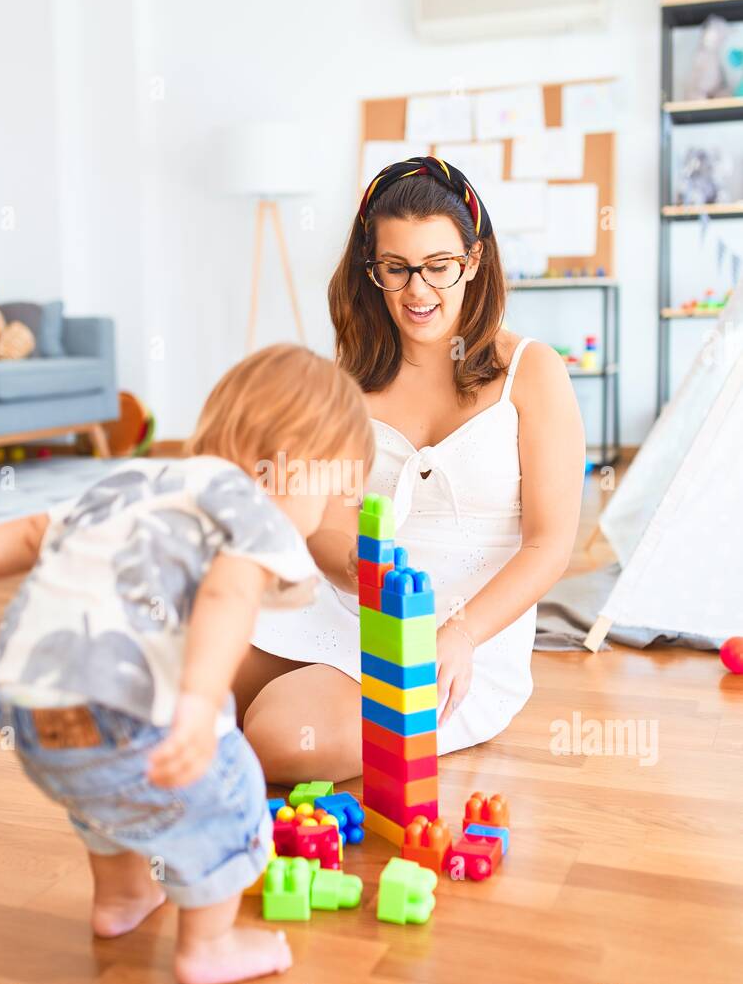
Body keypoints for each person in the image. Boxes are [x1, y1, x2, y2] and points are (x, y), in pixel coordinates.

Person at [0, 344, 374, 984]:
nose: (320, 520)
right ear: (292, 465)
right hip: (120, 706)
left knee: (109, 788)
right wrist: (197, 708)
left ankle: (121, 898)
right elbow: (227, 594)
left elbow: (30, 534)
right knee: (231, 792)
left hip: (25, 701)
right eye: (331, 494)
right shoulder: (257, 507)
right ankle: (209, 946)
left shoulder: (137, 478)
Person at [237, 156, 585, 784]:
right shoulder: (350, 378)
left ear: (473, 261)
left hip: (460, 638)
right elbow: (327, 525)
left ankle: (264, 727)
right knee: (183, 670)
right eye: (395, 269)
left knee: (281, 735)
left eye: (438, 267)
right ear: (371, 269)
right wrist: (352, 562)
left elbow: (550, 544)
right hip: (352, 608)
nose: (417, 292)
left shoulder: (531, 372)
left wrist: (460, 634)